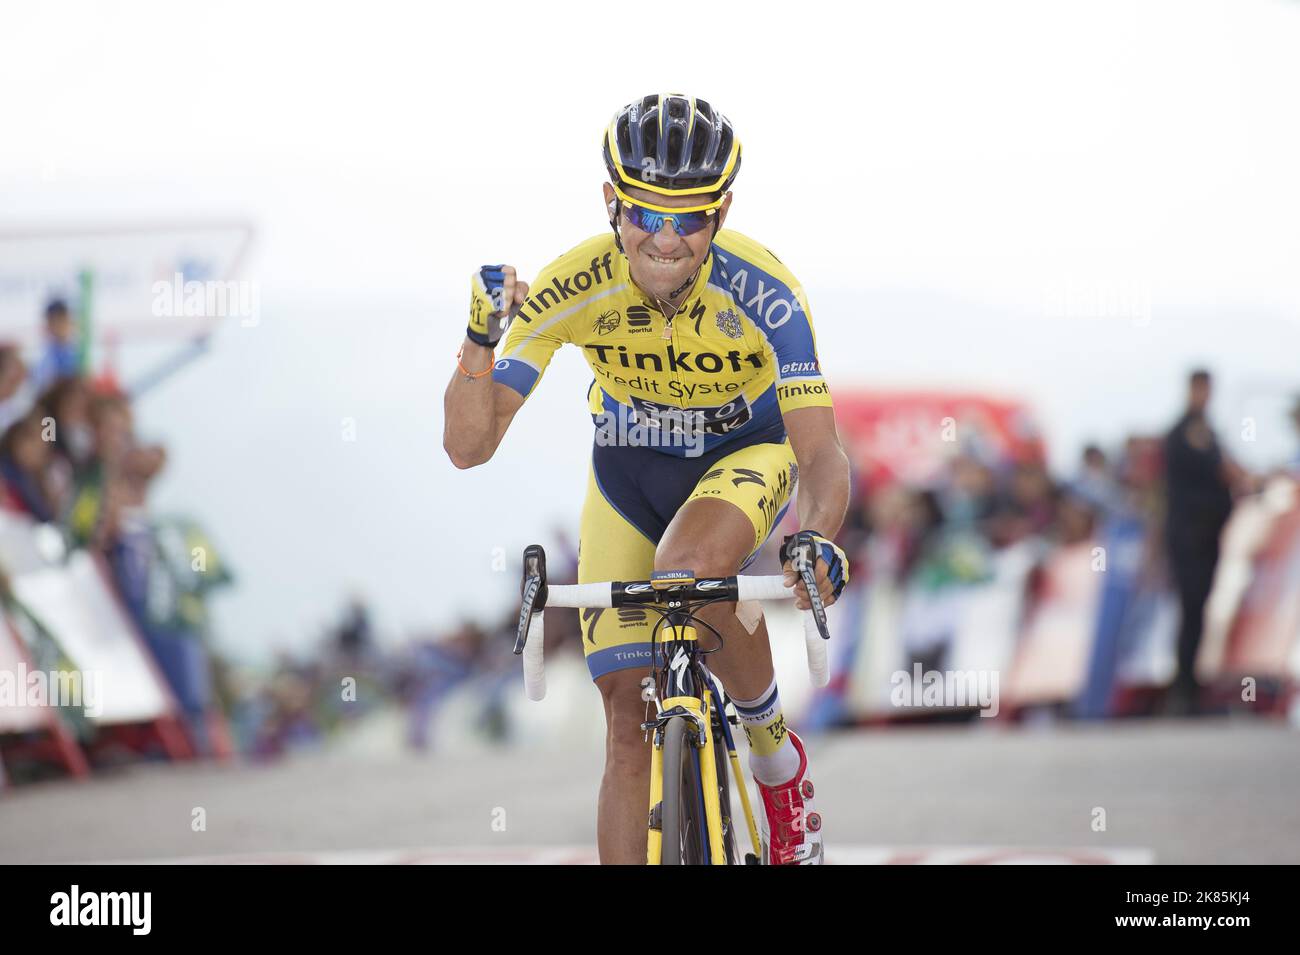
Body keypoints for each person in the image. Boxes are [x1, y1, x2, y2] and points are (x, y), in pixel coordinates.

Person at [443, 94, 851, 864]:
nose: (665, 239)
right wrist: (477, 340)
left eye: (689, 218)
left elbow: (821, 451)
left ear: (721, 213)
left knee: (687, 570)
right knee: (627, 725)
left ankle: (773, 760)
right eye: (645, 216)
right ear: (612, 204)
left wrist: (814, 538)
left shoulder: (766, 291)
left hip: (745, 457)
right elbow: (469, 446)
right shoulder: (575, 284)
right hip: (627, 478)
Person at [1162, 369, 1235, 716]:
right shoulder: (1186, 432)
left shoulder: (1206, 431)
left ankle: (1188, 689)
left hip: (1205, 536)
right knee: (1190, 609)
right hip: (1190, 536)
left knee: (1197, 611)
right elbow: (1220, 471)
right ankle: (1183, 692)